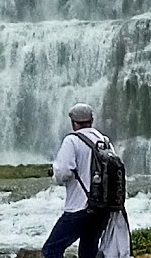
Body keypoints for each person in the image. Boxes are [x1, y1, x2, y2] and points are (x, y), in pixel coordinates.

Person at [42, 102, 110, 258]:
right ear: (91, 120)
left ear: (73, 122)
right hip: (101, 208)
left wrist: (55, 175)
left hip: (79, 207)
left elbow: (63, 172)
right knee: (88, 251)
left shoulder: (72, 140)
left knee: (51, 249)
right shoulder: (104, 140)